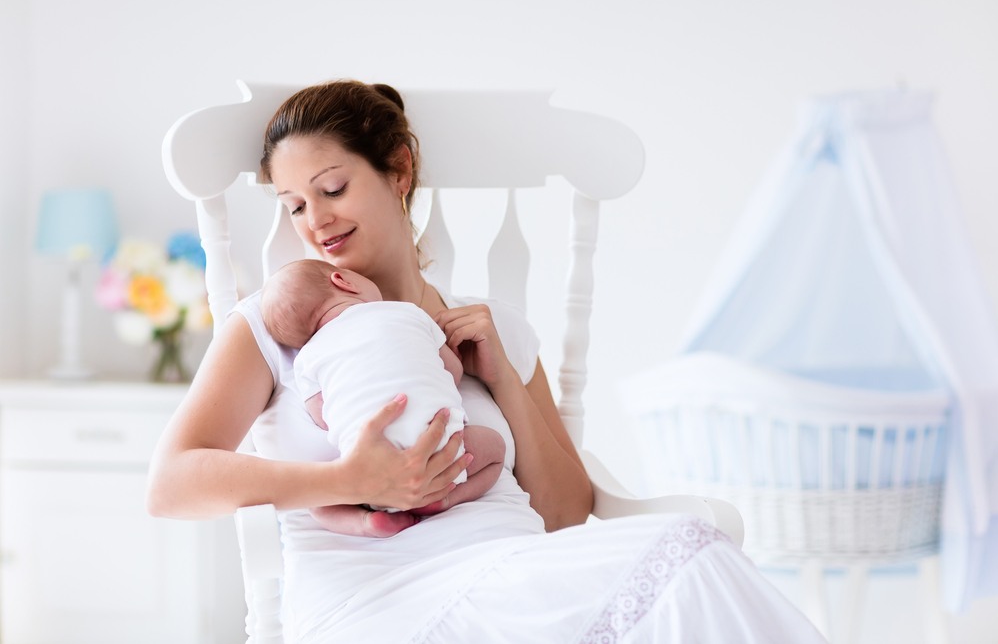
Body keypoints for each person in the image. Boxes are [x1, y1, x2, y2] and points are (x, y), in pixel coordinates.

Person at [147, 79, 825, 643]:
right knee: (693, 560)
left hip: (513, 576)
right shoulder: (279, 324)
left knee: (692, 553)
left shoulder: (491, 332)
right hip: (377, 604)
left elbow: (562, 514)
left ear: (399, 170)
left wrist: (501, 375)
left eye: (332, 188)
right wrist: (350, 479)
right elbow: (172, 483)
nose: (314, 222)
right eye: (293, 205)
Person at [259, 258, 506, 537]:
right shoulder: (409, 313)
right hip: (445, 450)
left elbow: (323, 418)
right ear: (343, 281)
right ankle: (445, 498)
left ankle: (367, 522)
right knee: (496, 449)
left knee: (318, 504)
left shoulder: (306, 359)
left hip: (366, 471)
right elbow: (454, 372)